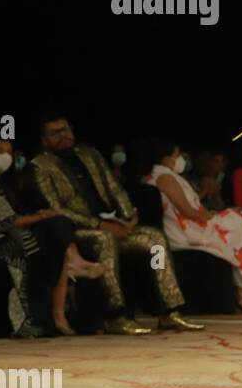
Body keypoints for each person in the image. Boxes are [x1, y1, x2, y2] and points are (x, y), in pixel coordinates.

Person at [30, 112, 205, 336]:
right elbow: (56, 209)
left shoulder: (90, 155)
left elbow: (115, 189)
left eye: (65, 130)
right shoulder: (40, 166)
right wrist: (99, 224)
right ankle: (116, 315)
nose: (63, 136)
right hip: (78, 231)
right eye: (55, 133)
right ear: (44, 140)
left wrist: (127, 216)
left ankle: (169, 310)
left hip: (112, 223)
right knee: (105, 240)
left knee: (155, 239)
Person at [0, 134, 105, 336]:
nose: (5, 156)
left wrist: (41, 215)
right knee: (52, 229)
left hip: (13, 233)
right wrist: (40, 216)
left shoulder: (8, 182)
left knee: (59, 225)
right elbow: (3, 221)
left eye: (9, 152)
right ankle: (68, 277)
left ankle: (63, 306)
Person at [142, 138, 242, 312]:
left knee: (236, 224)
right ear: (165, 158)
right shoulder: (165, 177)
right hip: (185, 231)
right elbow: (188, 211)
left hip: (190, 224)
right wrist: (209, 215)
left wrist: (210, 213)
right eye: (177, 155)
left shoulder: (168, 176)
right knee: (236, 220)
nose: (181, 159)